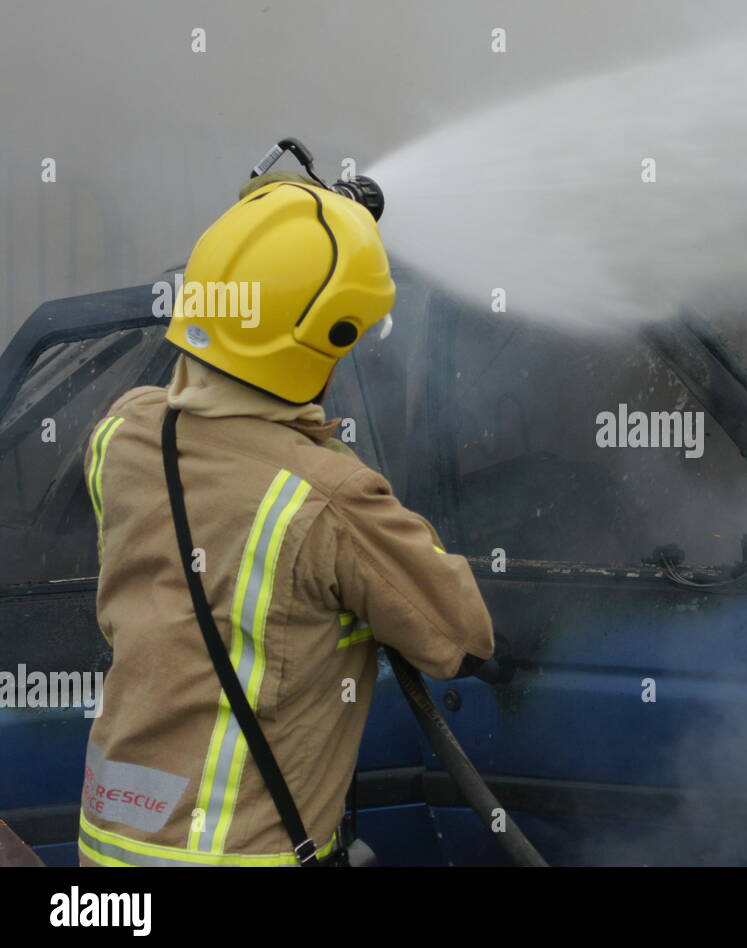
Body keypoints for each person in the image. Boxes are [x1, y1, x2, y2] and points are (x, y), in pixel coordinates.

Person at [78, 171, 495, 867]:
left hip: (110, 855)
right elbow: (460, 638)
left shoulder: (121, 433)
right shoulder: (329, 497)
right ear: (319, 346)